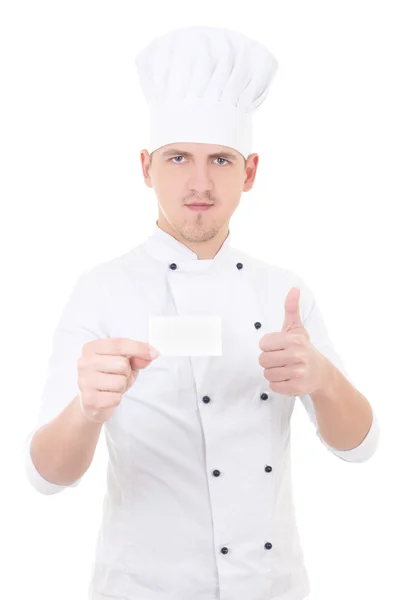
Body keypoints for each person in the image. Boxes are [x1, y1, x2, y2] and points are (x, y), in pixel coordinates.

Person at [23, 26, 380, 600]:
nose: (199, 183)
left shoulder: (283, 292)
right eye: (177, 158)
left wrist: (323, 379)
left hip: (270, 587)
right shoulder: (102, 290)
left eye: (220, 159)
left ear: (251, 172)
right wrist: (86, 412)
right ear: (145, 167)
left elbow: (360, 446)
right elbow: (45, 476)